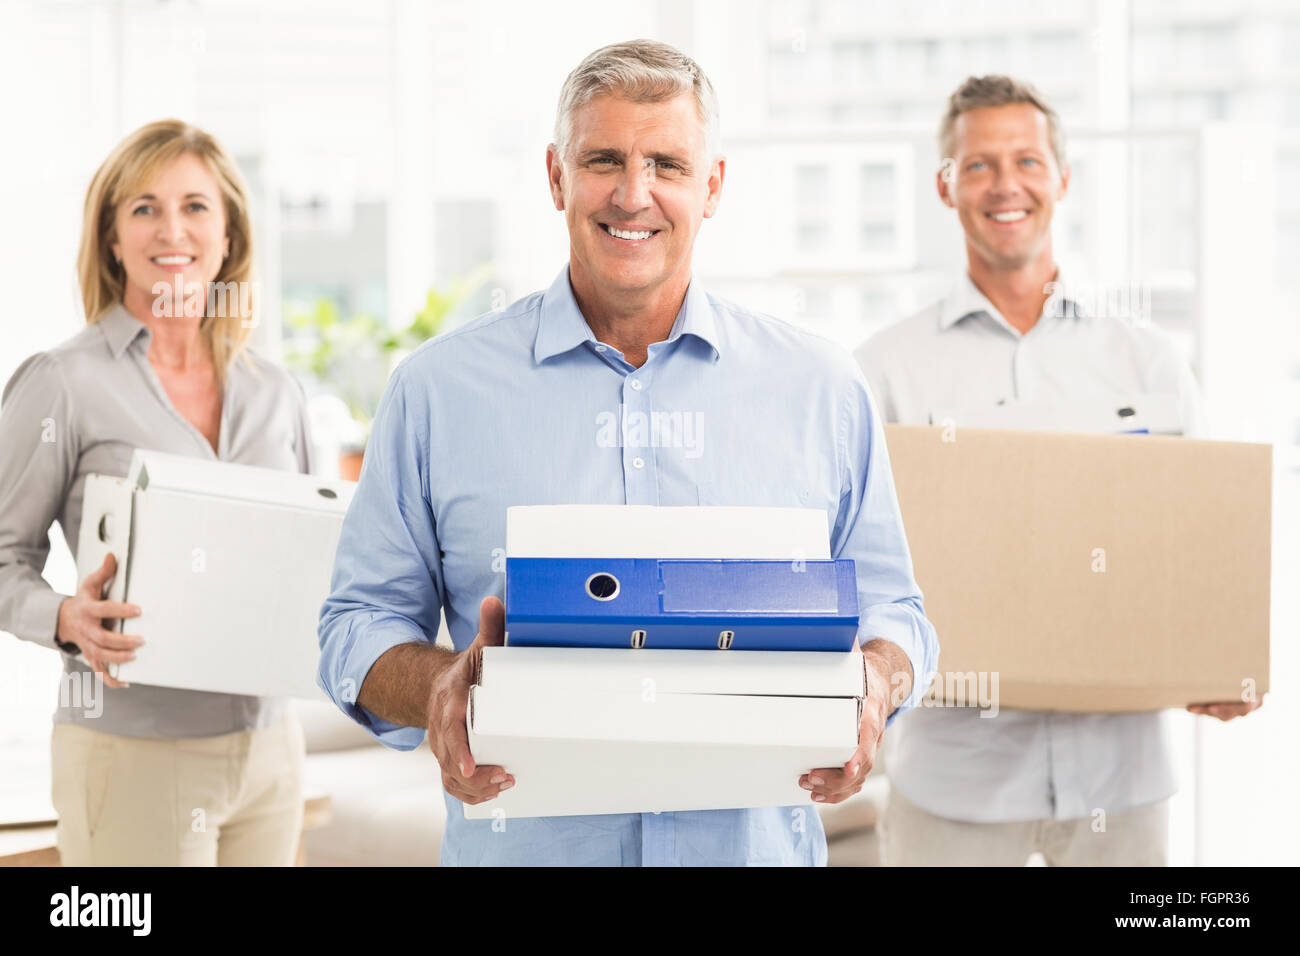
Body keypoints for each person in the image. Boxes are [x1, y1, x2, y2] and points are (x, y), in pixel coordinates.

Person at [318, 39, 938, 866]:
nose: (633, 193)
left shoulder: (821, 386)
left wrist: (875, 685)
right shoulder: (437, 391)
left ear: (711, 186)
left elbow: (898, 613)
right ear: (555, 177)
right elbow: (354, 628)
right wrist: (437, 686)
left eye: (668, 164)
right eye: (603, 158)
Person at [855, 75, 1264, 867]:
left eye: (1028, 161)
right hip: (953, 783)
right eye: (978, 166)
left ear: (1063, 178)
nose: (1005, 185)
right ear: (945, 186)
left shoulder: (1147, 360)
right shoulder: (885, 372)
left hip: (1123, 781)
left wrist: (1223, 662)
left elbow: (1208, 543)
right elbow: (862, 567)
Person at [0, 119, 315, 865]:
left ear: (230, 232)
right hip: (131, 750)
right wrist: (64, 617)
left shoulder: (277, 391)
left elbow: (312, 552)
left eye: (195, 206)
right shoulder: (63, 382)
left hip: (272, 750)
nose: (171, 229)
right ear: (112, 238)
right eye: (143, 208)